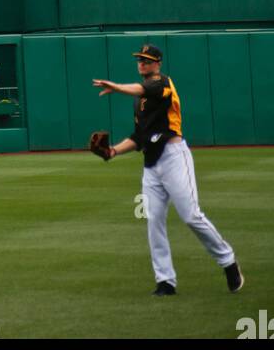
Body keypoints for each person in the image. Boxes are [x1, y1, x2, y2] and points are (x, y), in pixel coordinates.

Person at [92, 45, 242, 296]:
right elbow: (139, 137)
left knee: (191, 215)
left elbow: (143, 88)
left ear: (157, 64)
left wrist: (117, 87)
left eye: (147, 60)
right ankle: (165, 281)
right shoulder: (139, 100)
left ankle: (227, 261)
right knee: (154, 220)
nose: (142, 63)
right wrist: (113, 152)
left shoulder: (162, 83)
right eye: (140, 60)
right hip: (151, 164)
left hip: (174, 157)